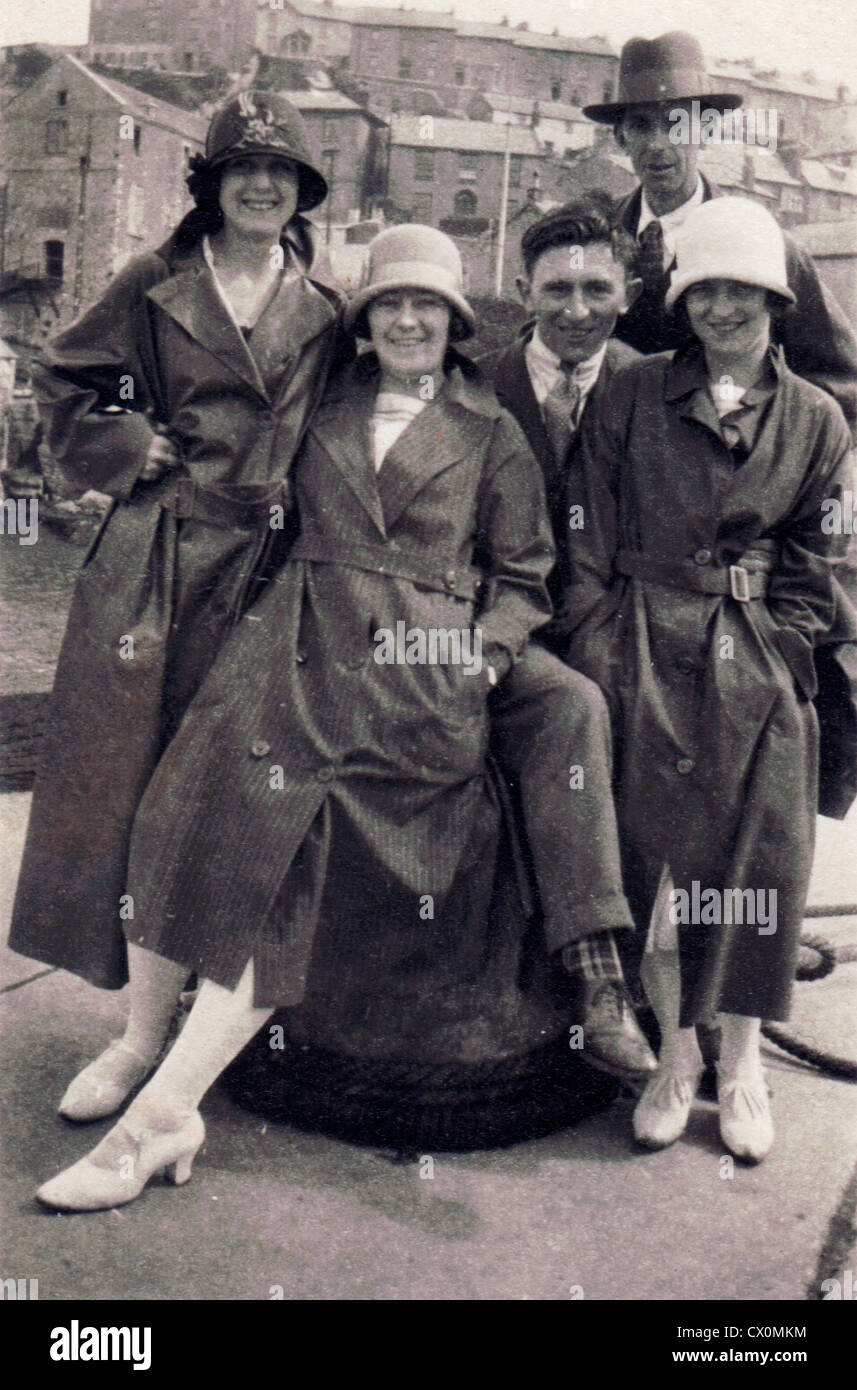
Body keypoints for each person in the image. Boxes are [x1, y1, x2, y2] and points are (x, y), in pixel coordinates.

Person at [35, 225, 564, 1210]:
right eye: (389, 306)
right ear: (364, 320)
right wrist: (128, 443)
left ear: (455, 325)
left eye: (428, 308)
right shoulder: (325, 395)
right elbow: (206, 399)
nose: (408, 321)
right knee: (174, 811)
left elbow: (526, 577)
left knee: (283, 864)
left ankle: (161, 1119)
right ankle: (141, 1040)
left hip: (416, 669)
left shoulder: (489, 430)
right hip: (289, 640)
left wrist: (478, 662)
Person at [9, 92, 348, 1120]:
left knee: (230, 800)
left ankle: (209, 1024)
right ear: (208, 186)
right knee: (133, 788)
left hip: (264, 572)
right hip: (154, 562)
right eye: (240, 170)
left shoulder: (326, 310)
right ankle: (136, 1036)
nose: (259, 186)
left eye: (278, 174)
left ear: (298, 194)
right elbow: (71, 372)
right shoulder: (155, 282)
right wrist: (126, 439)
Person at [555, 197, 857, 1163]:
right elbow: (586, 534)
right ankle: (674, 1057)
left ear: (776, 301)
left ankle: (742, 1060)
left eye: (744, 291)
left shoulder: (816, 419)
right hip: (639, 640)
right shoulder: (631, 393)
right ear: (682, 303)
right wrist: (602, 644)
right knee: (656, 859)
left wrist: (788, 649)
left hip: (758, 657)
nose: (724, 309)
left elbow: (828, 556)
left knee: (759, 862)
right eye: (705, 291)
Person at [582, 31, 857, 436]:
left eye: (676, 125)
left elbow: (841, 388)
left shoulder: (768, 246)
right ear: (621, 137)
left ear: (706, 132)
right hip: (618, 477)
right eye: (641, 126)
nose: (658, 144)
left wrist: (761, 451)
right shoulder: (596, 238)